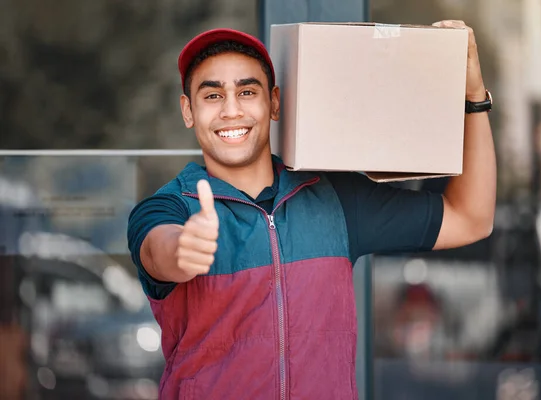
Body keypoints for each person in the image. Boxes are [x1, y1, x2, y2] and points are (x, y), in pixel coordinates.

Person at [127, 20, 496, 400]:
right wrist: (184, 248)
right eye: (213, 96)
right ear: (188, 110)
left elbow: (470, 219)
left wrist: (473, 96)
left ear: (273, 102)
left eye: (247, 91)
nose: (231, 110)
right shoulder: (170, 207)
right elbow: (158, 251)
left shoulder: (335, 198)